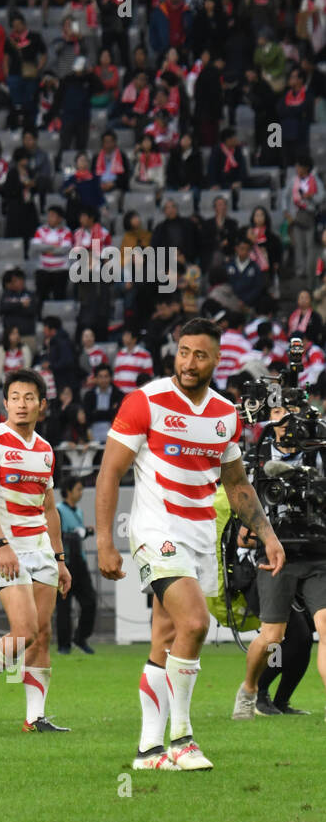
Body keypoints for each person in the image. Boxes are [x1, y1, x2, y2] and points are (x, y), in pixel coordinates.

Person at [96, 317, 285, 771]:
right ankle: (181, 738)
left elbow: (237, 485)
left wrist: (268, 535)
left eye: (200, 355)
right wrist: (105, 539)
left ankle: (147, 751)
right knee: (196, 623)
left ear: (217, 360)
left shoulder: (223, 415)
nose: (189, 362)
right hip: (155, 532)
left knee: (166, 636)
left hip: (199, 538)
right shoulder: (146, 401)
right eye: (183, 351)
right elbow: (109, 471)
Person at [0, 368, 73, 733]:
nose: (21, 404)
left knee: (43, 633)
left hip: (40, 546)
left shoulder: (44, 450)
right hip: (5, 545)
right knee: (24, 630)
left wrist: (60, 559)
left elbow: (48, 508)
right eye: (14, 398)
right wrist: (1, 545)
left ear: (42, 405)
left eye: (29, 398)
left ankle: (35, 718)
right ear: (5, 402)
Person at [232, 400, 326, 719]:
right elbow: (242, 516)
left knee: (324, 628)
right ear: (267, 419)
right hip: (275, 553)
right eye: (277, 413)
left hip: (316, 551)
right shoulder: (256, 458)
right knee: (274, 636)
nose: (286, 421)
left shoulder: (319, 449)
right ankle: (249, 690)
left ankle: (279, 701)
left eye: (292, 413)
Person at [55, 476, 96, 654]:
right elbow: (58, 535)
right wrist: (79, 532)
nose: (81, 493)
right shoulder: (57, 510)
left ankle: (80, 637)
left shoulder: (78, 511)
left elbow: (76, 535)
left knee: (90, 602)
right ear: (69, 491)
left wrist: (84, 532)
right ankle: (64, 645)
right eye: (78, 489)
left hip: (80, 562)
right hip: (65, 563)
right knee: (63, 607)